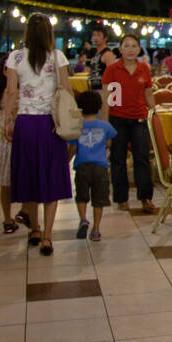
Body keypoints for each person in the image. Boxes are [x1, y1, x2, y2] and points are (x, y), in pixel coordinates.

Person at [1, 13, 73, 256]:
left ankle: (34, 228)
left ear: (27, 34)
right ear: (49, 33)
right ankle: (48, 237)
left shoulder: (15, 57)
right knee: (51, 177)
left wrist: (6, 121)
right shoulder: (57, 57)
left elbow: (11, 92)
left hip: (25, 124)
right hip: (50, 124)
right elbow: (66, 90)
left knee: (28, 175)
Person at [102, 32, 156, 214]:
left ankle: (145, 197)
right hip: (117, 119)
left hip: (139, 118)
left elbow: (148, 93)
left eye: (134, 46)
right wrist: (105, 124)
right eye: (127, 46)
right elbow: (107, 97)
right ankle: (121, 198)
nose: (130, 50)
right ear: (120, 49)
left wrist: (153, 113)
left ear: (139, 49)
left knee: (142, 158)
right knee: (118, 160)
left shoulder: (144, 69)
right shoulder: (112, 69)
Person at [70, 90, 116, 242]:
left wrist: (65, 161)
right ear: (99, 108)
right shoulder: (105, 125)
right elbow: (109, 143)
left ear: (79, 108)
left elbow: (73, 148)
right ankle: (96, 229)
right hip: (100, 167)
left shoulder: (76, 126)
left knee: (82, 196)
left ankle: (83, 219)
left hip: (82, 166)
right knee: (99, 199)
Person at [0, 59, 21, 235]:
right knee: (22, 181)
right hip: (13, 141)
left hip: (4, 141)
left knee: (6, 185)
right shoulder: (11, 93)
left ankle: (8, 219)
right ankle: (21, 213)